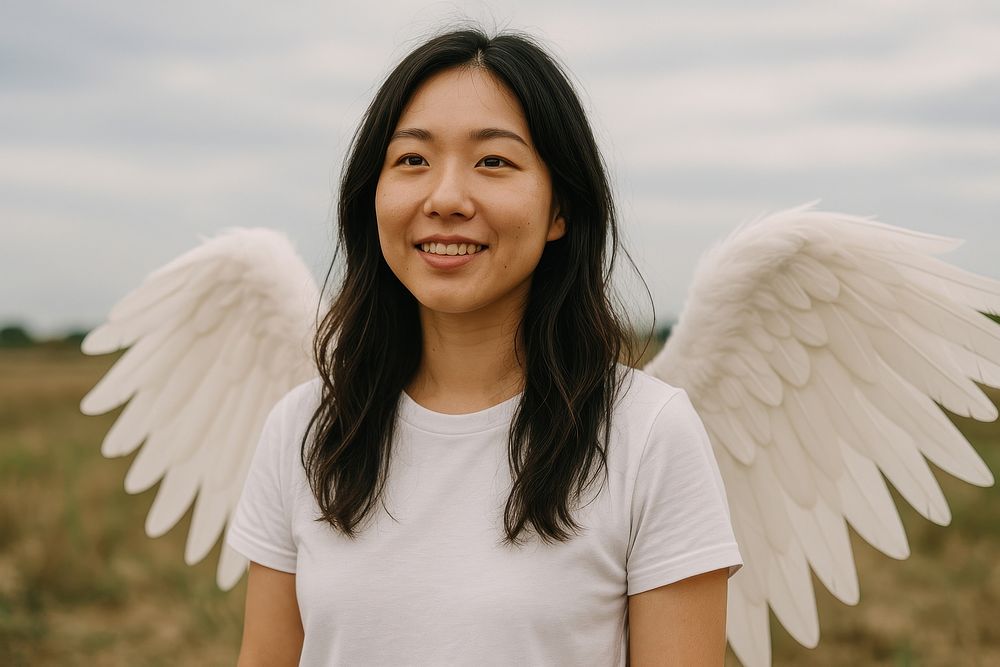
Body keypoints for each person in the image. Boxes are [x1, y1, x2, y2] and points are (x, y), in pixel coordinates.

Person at [227, 25, 743, 666]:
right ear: (374, 197)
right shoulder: (307, 428)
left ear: (561, 211)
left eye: (493, 161)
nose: (444, 199)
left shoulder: (648, 433)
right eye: (412, 160)